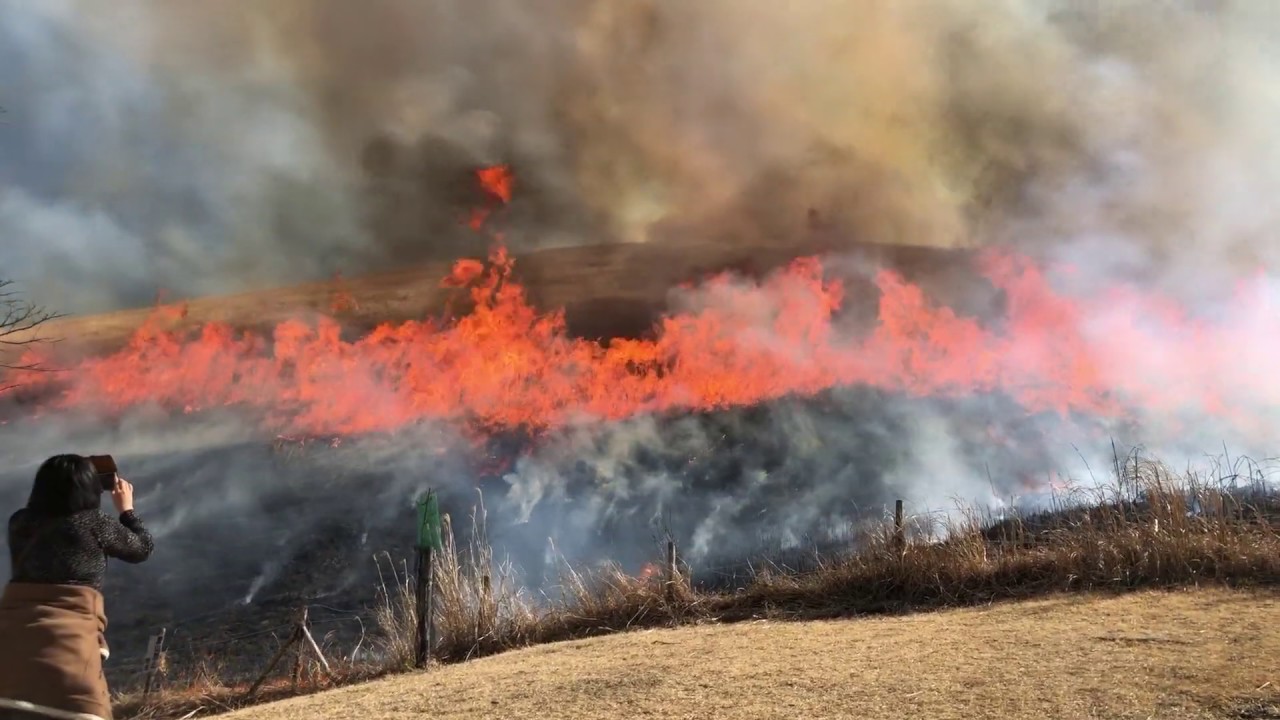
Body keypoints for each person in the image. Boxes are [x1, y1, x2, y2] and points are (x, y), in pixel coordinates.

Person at [0, 454, 155, 720]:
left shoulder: (19, 522)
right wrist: (126, 511)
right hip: (70, 654)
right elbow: (141, 549)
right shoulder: (95, 523)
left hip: (9, 650)